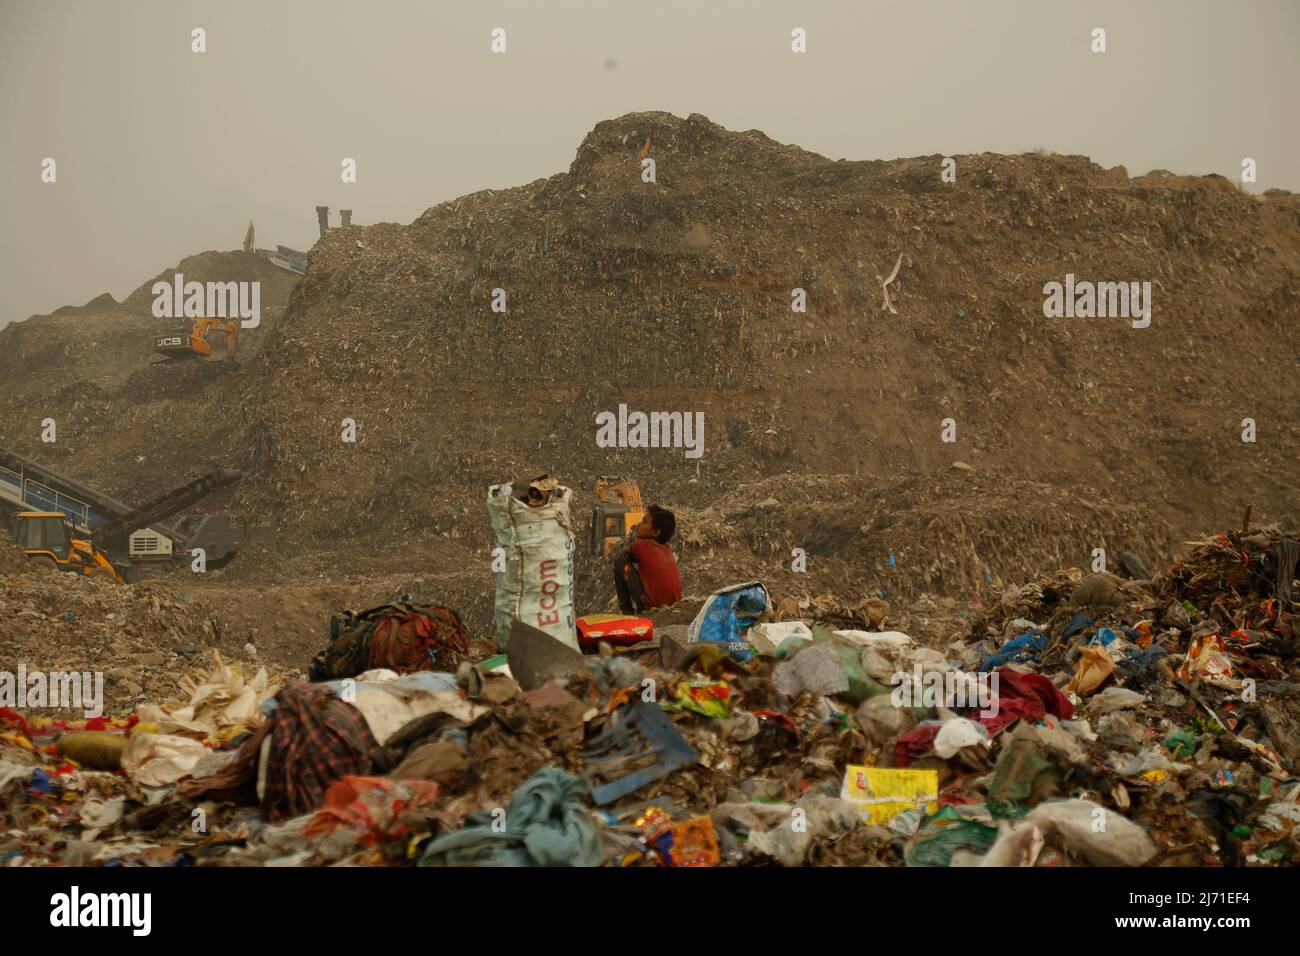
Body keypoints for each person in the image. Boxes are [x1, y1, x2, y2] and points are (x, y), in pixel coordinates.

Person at [611, 505, 681, 614]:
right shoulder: (667, 549)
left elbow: (624, 558)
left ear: (656, 532)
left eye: (644, 522)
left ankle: (627, 611)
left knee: (619, 564)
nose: (639, 524)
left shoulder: (640, 545)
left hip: (652, 605)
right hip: (674, 604)